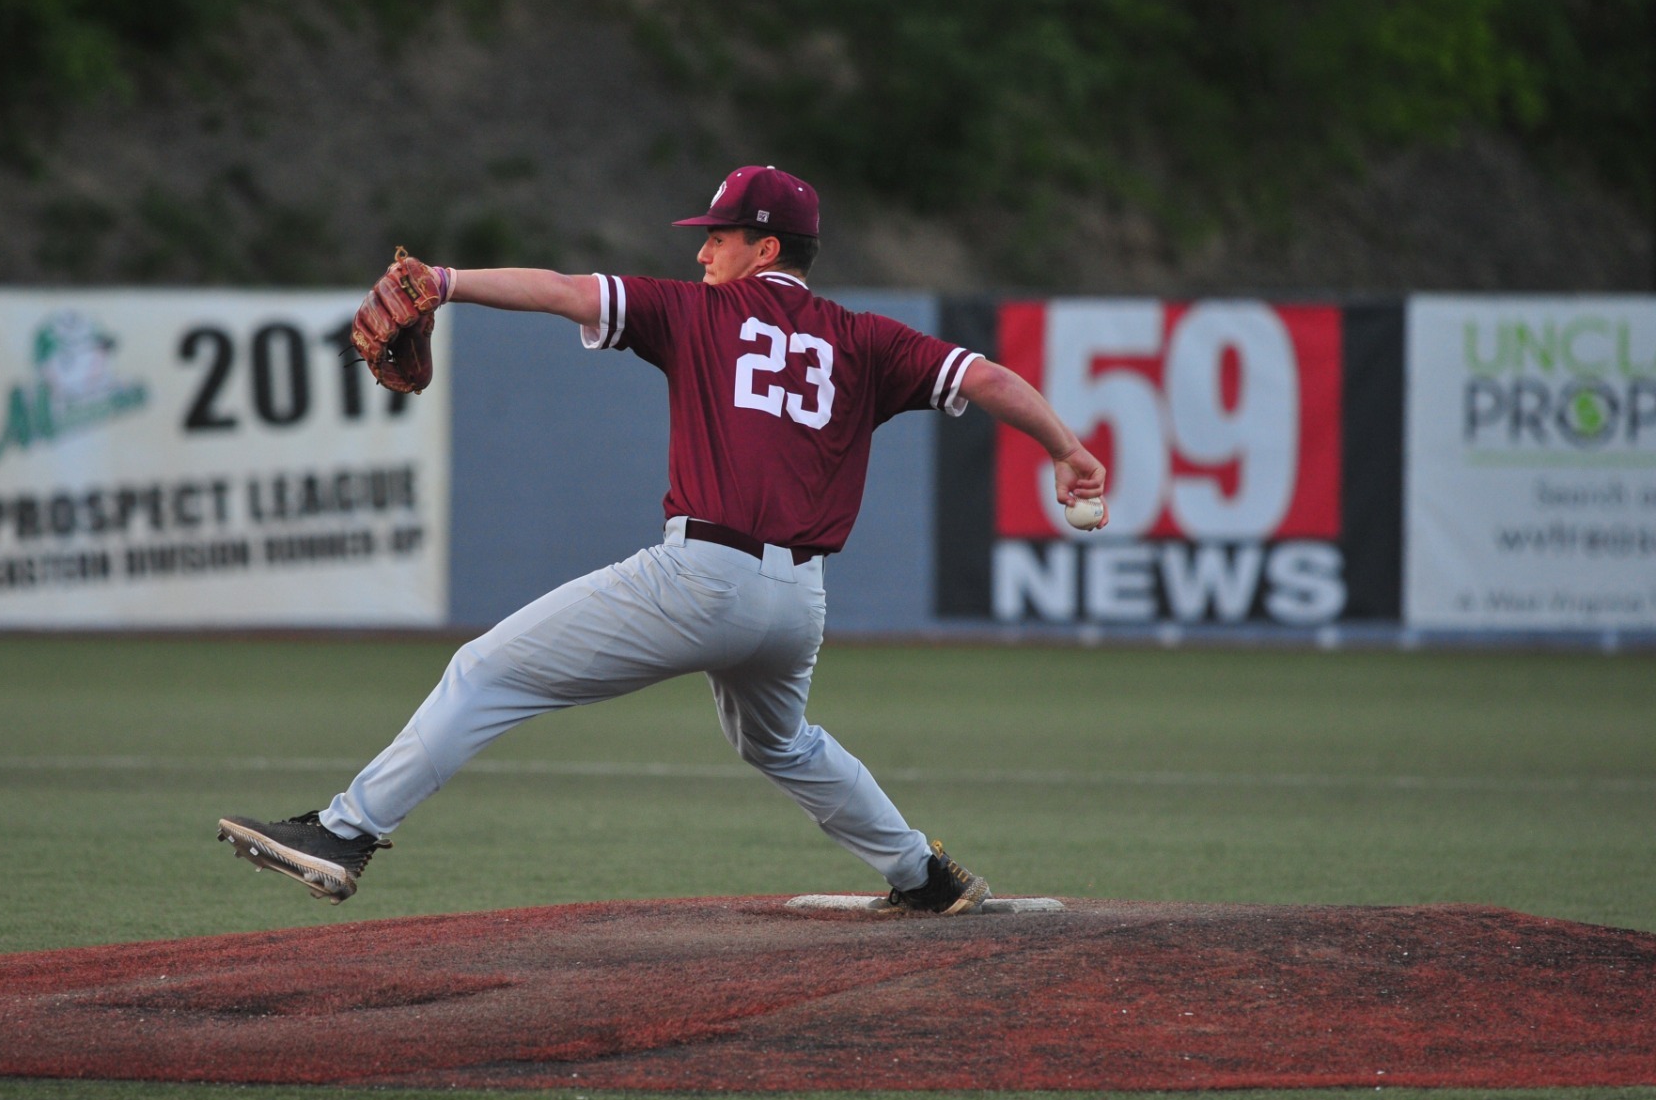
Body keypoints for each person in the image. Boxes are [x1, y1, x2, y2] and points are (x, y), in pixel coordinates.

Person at [219, 165, 1107, 914]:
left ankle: (346, 832)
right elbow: (986, 377)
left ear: (766, 248)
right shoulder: (865, 339)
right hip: (798, 603)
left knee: (485, 671)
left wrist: (447, 281)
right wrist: (1066, 450)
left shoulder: (697, 313)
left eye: (718, 237)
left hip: (702, 577)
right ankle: (923, 877)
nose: (702, 252)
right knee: (781, 743)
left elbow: (563, 291)